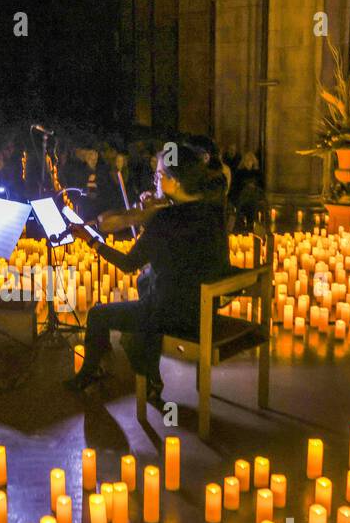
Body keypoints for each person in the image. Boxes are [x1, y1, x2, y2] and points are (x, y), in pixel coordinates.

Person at [65, 144, 230, 409]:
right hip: (204, 309)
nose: (156, 181)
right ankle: (148, 376)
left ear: (174, 182)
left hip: (173, 314)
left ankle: (91, 371)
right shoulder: (213, 210)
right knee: (147, 283)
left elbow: (129, 263)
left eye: (159, 175)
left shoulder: (164, 219)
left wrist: (93, 242)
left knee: (98, 314)